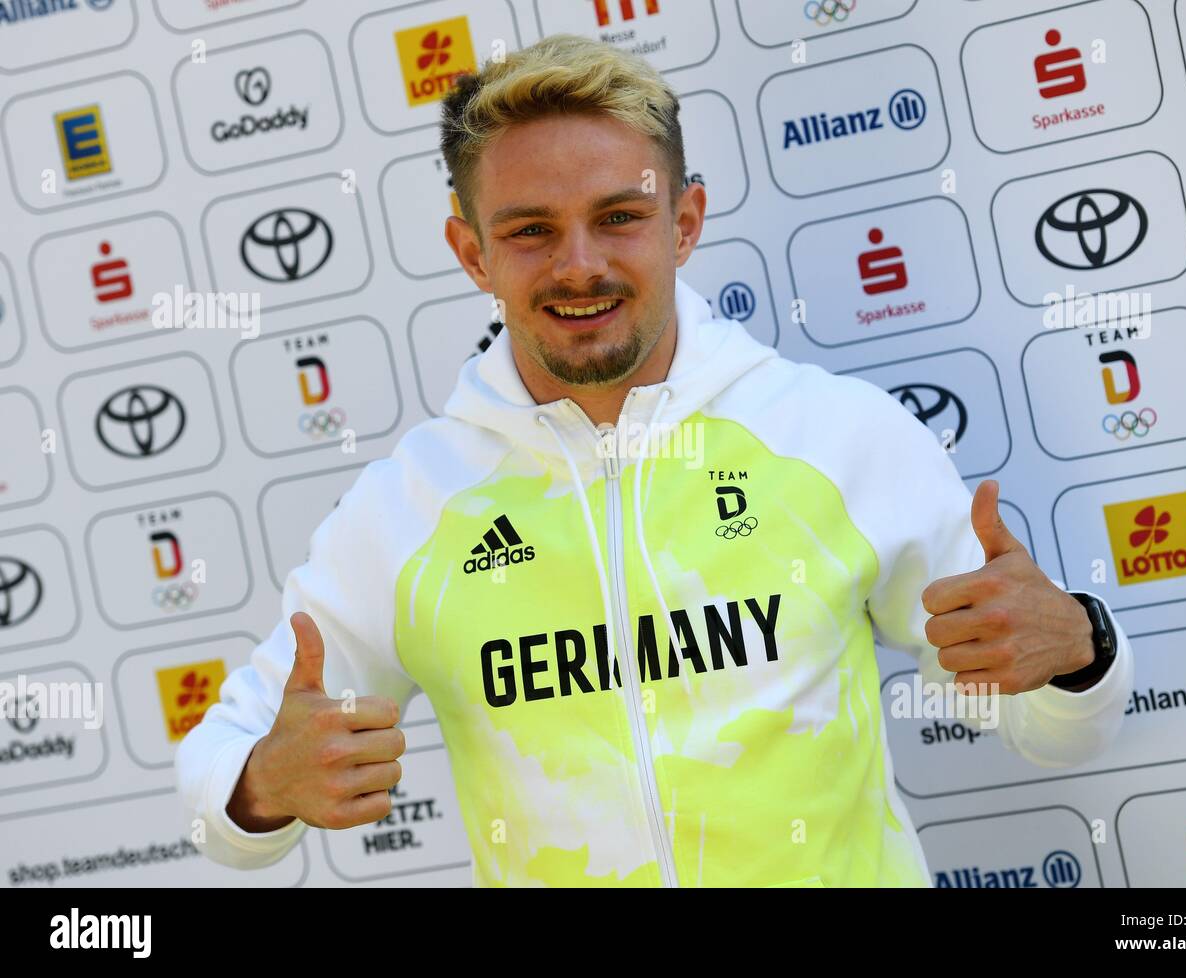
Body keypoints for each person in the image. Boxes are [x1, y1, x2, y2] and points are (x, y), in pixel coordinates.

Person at [177, 34, 1134, 887]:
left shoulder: (839, 439)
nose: (579, 264)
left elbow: (1050, 731)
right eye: (530, 231)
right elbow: (220, 786)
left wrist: (1079, 653)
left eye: (619, 218)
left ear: (683, 222)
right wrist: (260, 786)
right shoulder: (409, 509)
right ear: (473, 255)